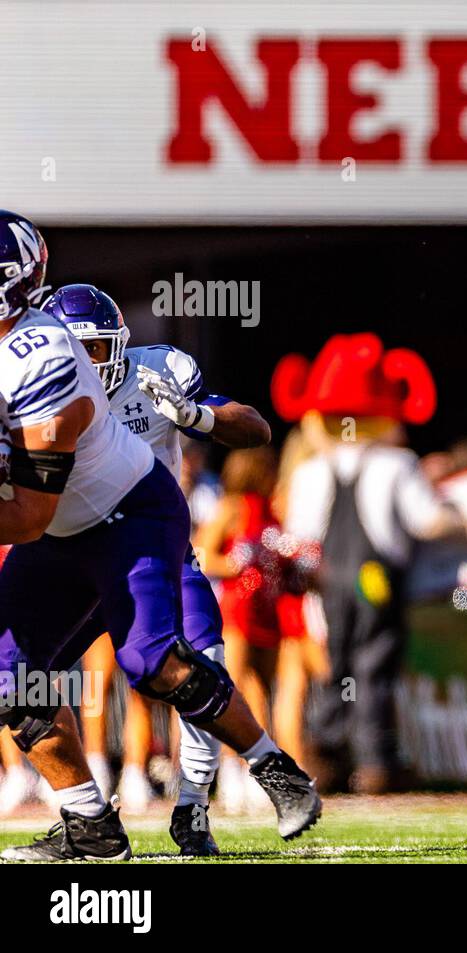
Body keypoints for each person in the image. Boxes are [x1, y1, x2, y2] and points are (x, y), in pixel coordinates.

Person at [0, 222, 319, 862]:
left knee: (151, 660)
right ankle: (90, 823)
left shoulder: (44, 358)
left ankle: (274, 767)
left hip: (129, 515)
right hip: (61, 531)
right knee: (8, 675)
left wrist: (196, 417)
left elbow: (28, 514)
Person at [278, 333, 467, 794]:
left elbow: (299, 539)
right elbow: (427, 521)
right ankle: (375, 761)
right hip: (377, 580)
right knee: (376, 664)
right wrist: (464, 519)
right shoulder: (397, 464)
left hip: (329, 582)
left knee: (336, 665)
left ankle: (327, 757)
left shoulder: (311, 470)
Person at [193, 446, 285, 815]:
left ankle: (260, 770)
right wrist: (232, 565)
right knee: (237, 690)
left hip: (267, 609)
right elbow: (200, 553)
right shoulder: (231, 507)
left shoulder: (271, 508)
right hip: (237, 610)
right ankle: (235, 773)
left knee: (264, 690)